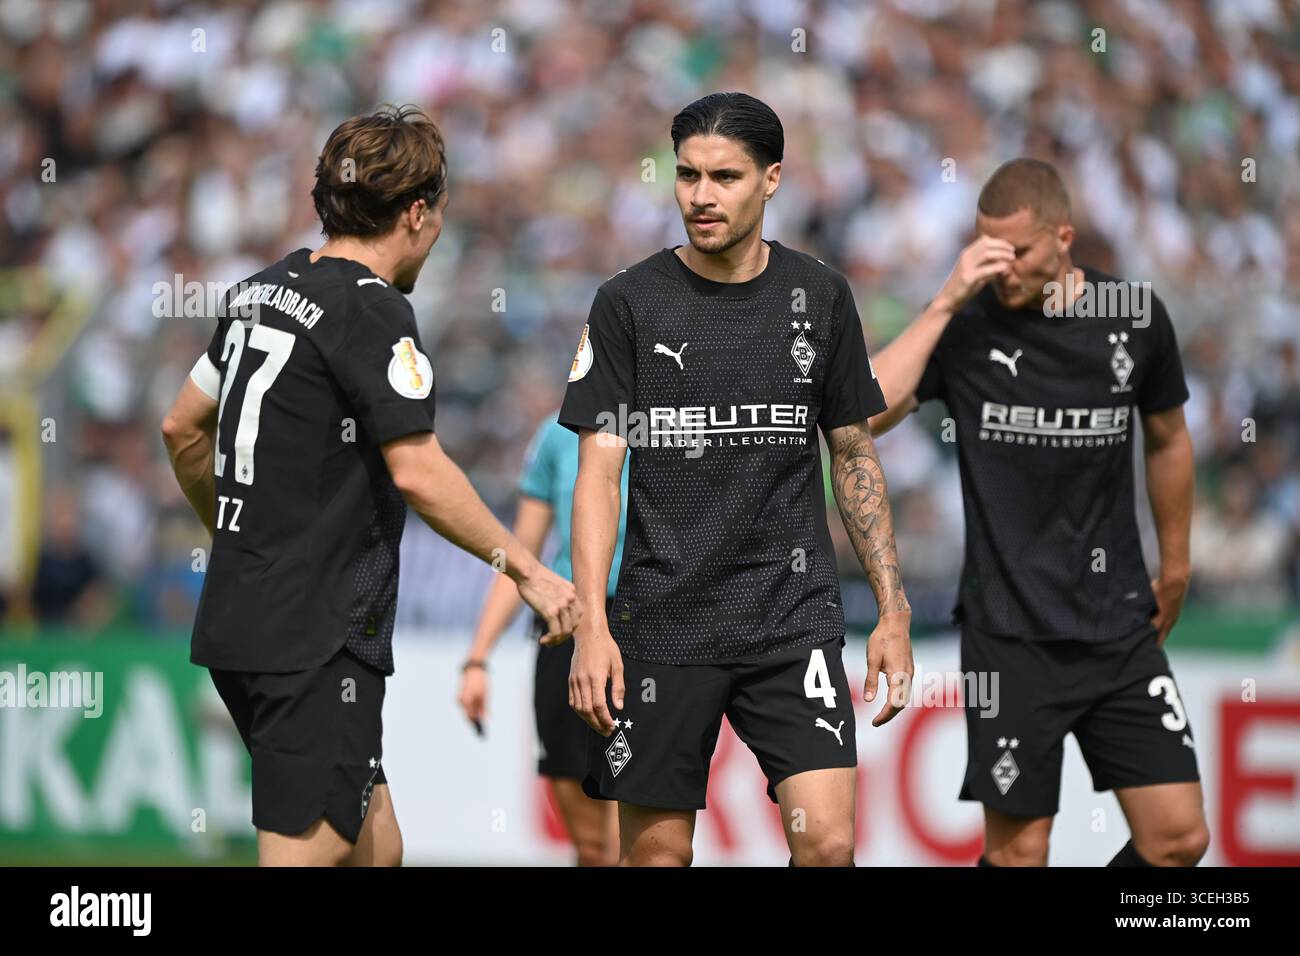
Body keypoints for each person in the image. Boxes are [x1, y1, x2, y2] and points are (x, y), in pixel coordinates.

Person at [161, 104, 579, 867]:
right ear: (417, 213)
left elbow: (182, 427)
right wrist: (528, 570)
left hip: (240, 619)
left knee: (376, 849)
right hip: (316, 635)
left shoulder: (260, 290)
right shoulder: (373, 309)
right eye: (441, 214)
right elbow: (418, 469)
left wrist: (232, 532)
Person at [560, 92, 913, 867]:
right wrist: (593, 623)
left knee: (826, 844)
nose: (701, 195)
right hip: (664, 622)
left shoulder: (820, 298)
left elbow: (853, 455)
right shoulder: (628, 303)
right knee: (658, 858)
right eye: (687, 175)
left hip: (793, 621)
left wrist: (892, 607)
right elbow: (597, 476)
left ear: (773, 178)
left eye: (724, 176)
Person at [868, 157, 1208, 867]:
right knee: (1020, 853)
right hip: (1009, 636)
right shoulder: (967, 323)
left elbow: (1170, 440)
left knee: (1179, 837)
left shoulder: (1133, 317)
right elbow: (866, 414)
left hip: (1117, 624)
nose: (1003, 266)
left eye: (1017, 250)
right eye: (987, 247)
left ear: (1063, 237)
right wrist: (944, 300)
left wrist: (1175, 564)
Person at [458, 412, 628, 866]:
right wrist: (477, 659)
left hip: (648, 626)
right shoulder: (558, 434)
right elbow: (520, 556)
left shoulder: (672, 425)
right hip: (568, 628)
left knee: (630, 841)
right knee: (592, 847)